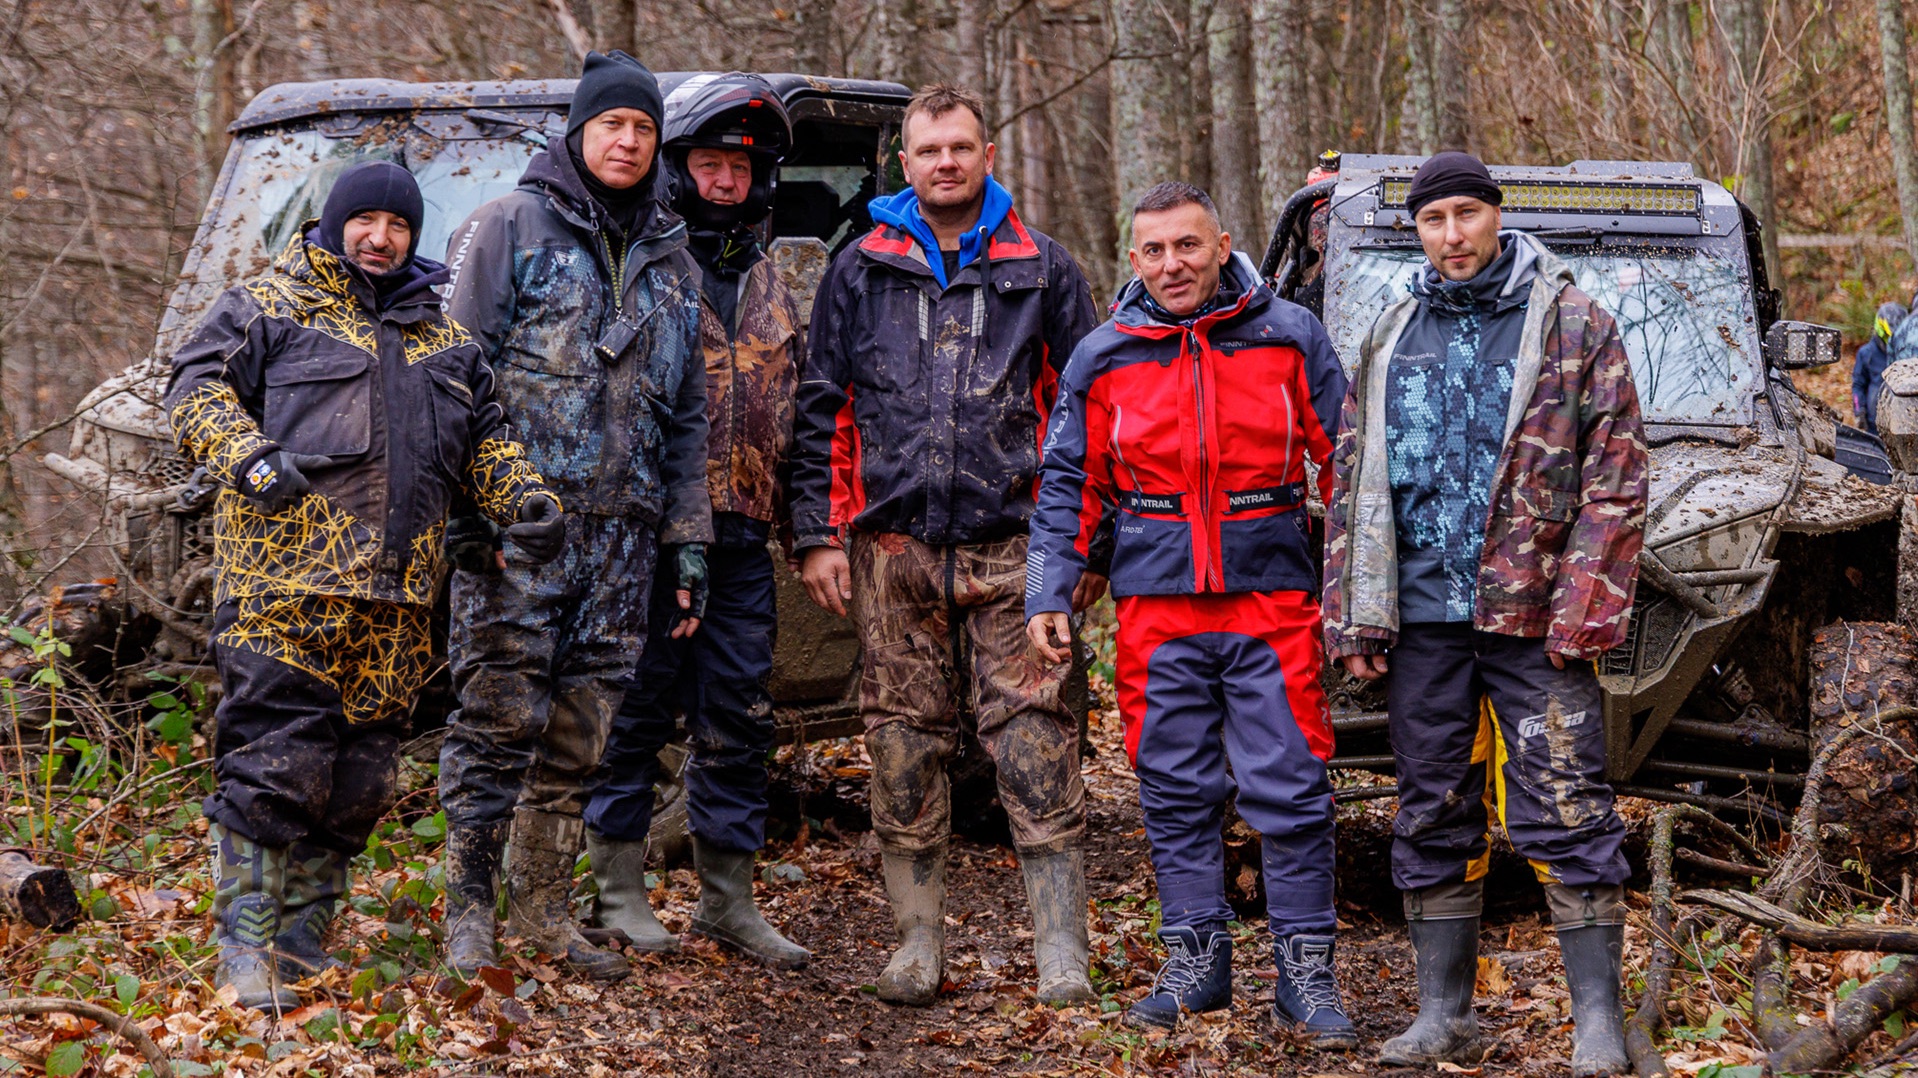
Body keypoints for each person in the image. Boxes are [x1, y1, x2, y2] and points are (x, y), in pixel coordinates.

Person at [165, 161, 561, 1010]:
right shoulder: (266, 306)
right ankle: (245, 950)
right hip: (281, 591)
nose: (380, 238)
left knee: (360, 785)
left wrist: (526, 500)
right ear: (332, 223)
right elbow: (195, 392)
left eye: (399, 225)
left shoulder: (447, 343)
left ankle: (301, 943)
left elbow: (488, 443)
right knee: (273, 767)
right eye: (365, 221)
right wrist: (251, 459)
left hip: (397, 608)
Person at [1321, 151, 1647, 1076]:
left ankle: (1597, 1023)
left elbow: (1617, 477)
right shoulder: (1392, 327)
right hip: (1423, 619)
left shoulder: (1572, 323)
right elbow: (1355, 476)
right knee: (1430, 807)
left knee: (1568, 804)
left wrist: (1582, 610)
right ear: (1417, 231)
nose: (1452, 234)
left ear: (1497, 215)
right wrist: (1355, 613)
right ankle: (1444, 1015)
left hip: (1536, 621)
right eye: (1434, 220)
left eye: (1466, 213)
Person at [787, 84, 1103, 1006]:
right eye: (929, 151)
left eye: (961, 147)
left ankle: (1062, 952)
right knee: (901, 745)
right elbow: (822, 406)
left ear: (987, 154)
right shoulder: (859, 269)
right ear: (906, 163)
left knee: (1036, 740)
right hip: (895, 549)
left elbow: (1092, 417)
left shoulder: (1045, 267)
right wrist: (818, 535)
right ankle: (916, 946)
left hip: (1019, 546)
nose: (946, 163)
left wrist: (1086, 548)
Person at [1026, 181, 1356, 1043]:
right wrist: (1048, 589)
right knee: (1174, 787)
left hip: (1271, 595)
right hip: (1156, 601)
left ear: (1222, 245)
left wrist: (1358, 591)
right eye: (1155, 250)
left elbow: (1349, 466)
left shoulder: (1290, 335)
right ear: (1133, 258)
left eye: (1188, 245)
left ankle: (1307, 978)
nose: (1172, 264)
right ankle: (1196, 965)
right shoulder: (1104, 355)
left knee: (1292, 784)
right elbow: (1068, 481)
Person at [437, 50, 712, 982]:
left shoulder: (674, 260)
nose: (628, 141)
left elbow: (687, 418)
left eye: (643, 128)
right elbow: (453, 377)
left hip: (625, 541)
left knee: (581, 731)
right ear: (578, 132)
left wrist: (688, 541)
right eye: (612, 125)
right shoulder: (508, 226)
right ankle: (469, 918)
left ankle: (543, 911)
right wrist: (473, 512)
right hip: (519, 535)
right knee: (495, 721)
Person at [581, 73, 808, 969]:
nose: (725, 181)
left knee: (739, 717)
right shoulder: (645, 265)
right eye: (710, 163)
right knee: (634, 710)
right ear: (678, 167)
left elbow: (804, 410)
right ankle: (616, 892)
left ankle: (728, 900)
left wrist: (809, 528)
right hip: (646, 536)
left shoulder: (770, 278)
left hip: (744, 537)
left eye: (740, 168)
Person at [1854, 301, 1904, 434]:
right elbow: (1858, 385)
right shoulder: (1866, 353)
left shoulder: (1906, 350)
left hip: (1902, 420)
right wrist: (1859, 411)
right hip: (1874, 423)